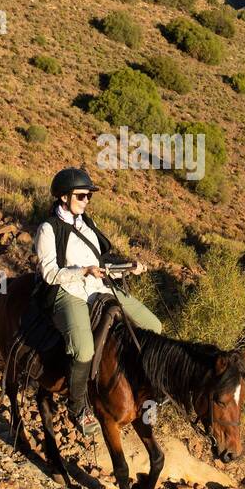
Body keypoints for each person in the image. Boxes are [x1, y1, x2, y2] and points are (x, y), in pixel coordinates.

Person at [34, 167, 162, 437]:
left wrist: (128, 268)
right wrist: (82, 271)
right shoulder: (48, 229)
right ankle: (78, 406)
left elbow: (101, 265)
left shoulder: (87, 225)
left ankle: (146, 393)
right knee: (83, 350)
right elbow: (49, 273)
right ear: (64, 198)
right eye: (82, 196)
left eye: (89, 196)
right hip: (67, 291)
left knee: (154, 327)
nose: (87, 201)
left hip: (98, 287)